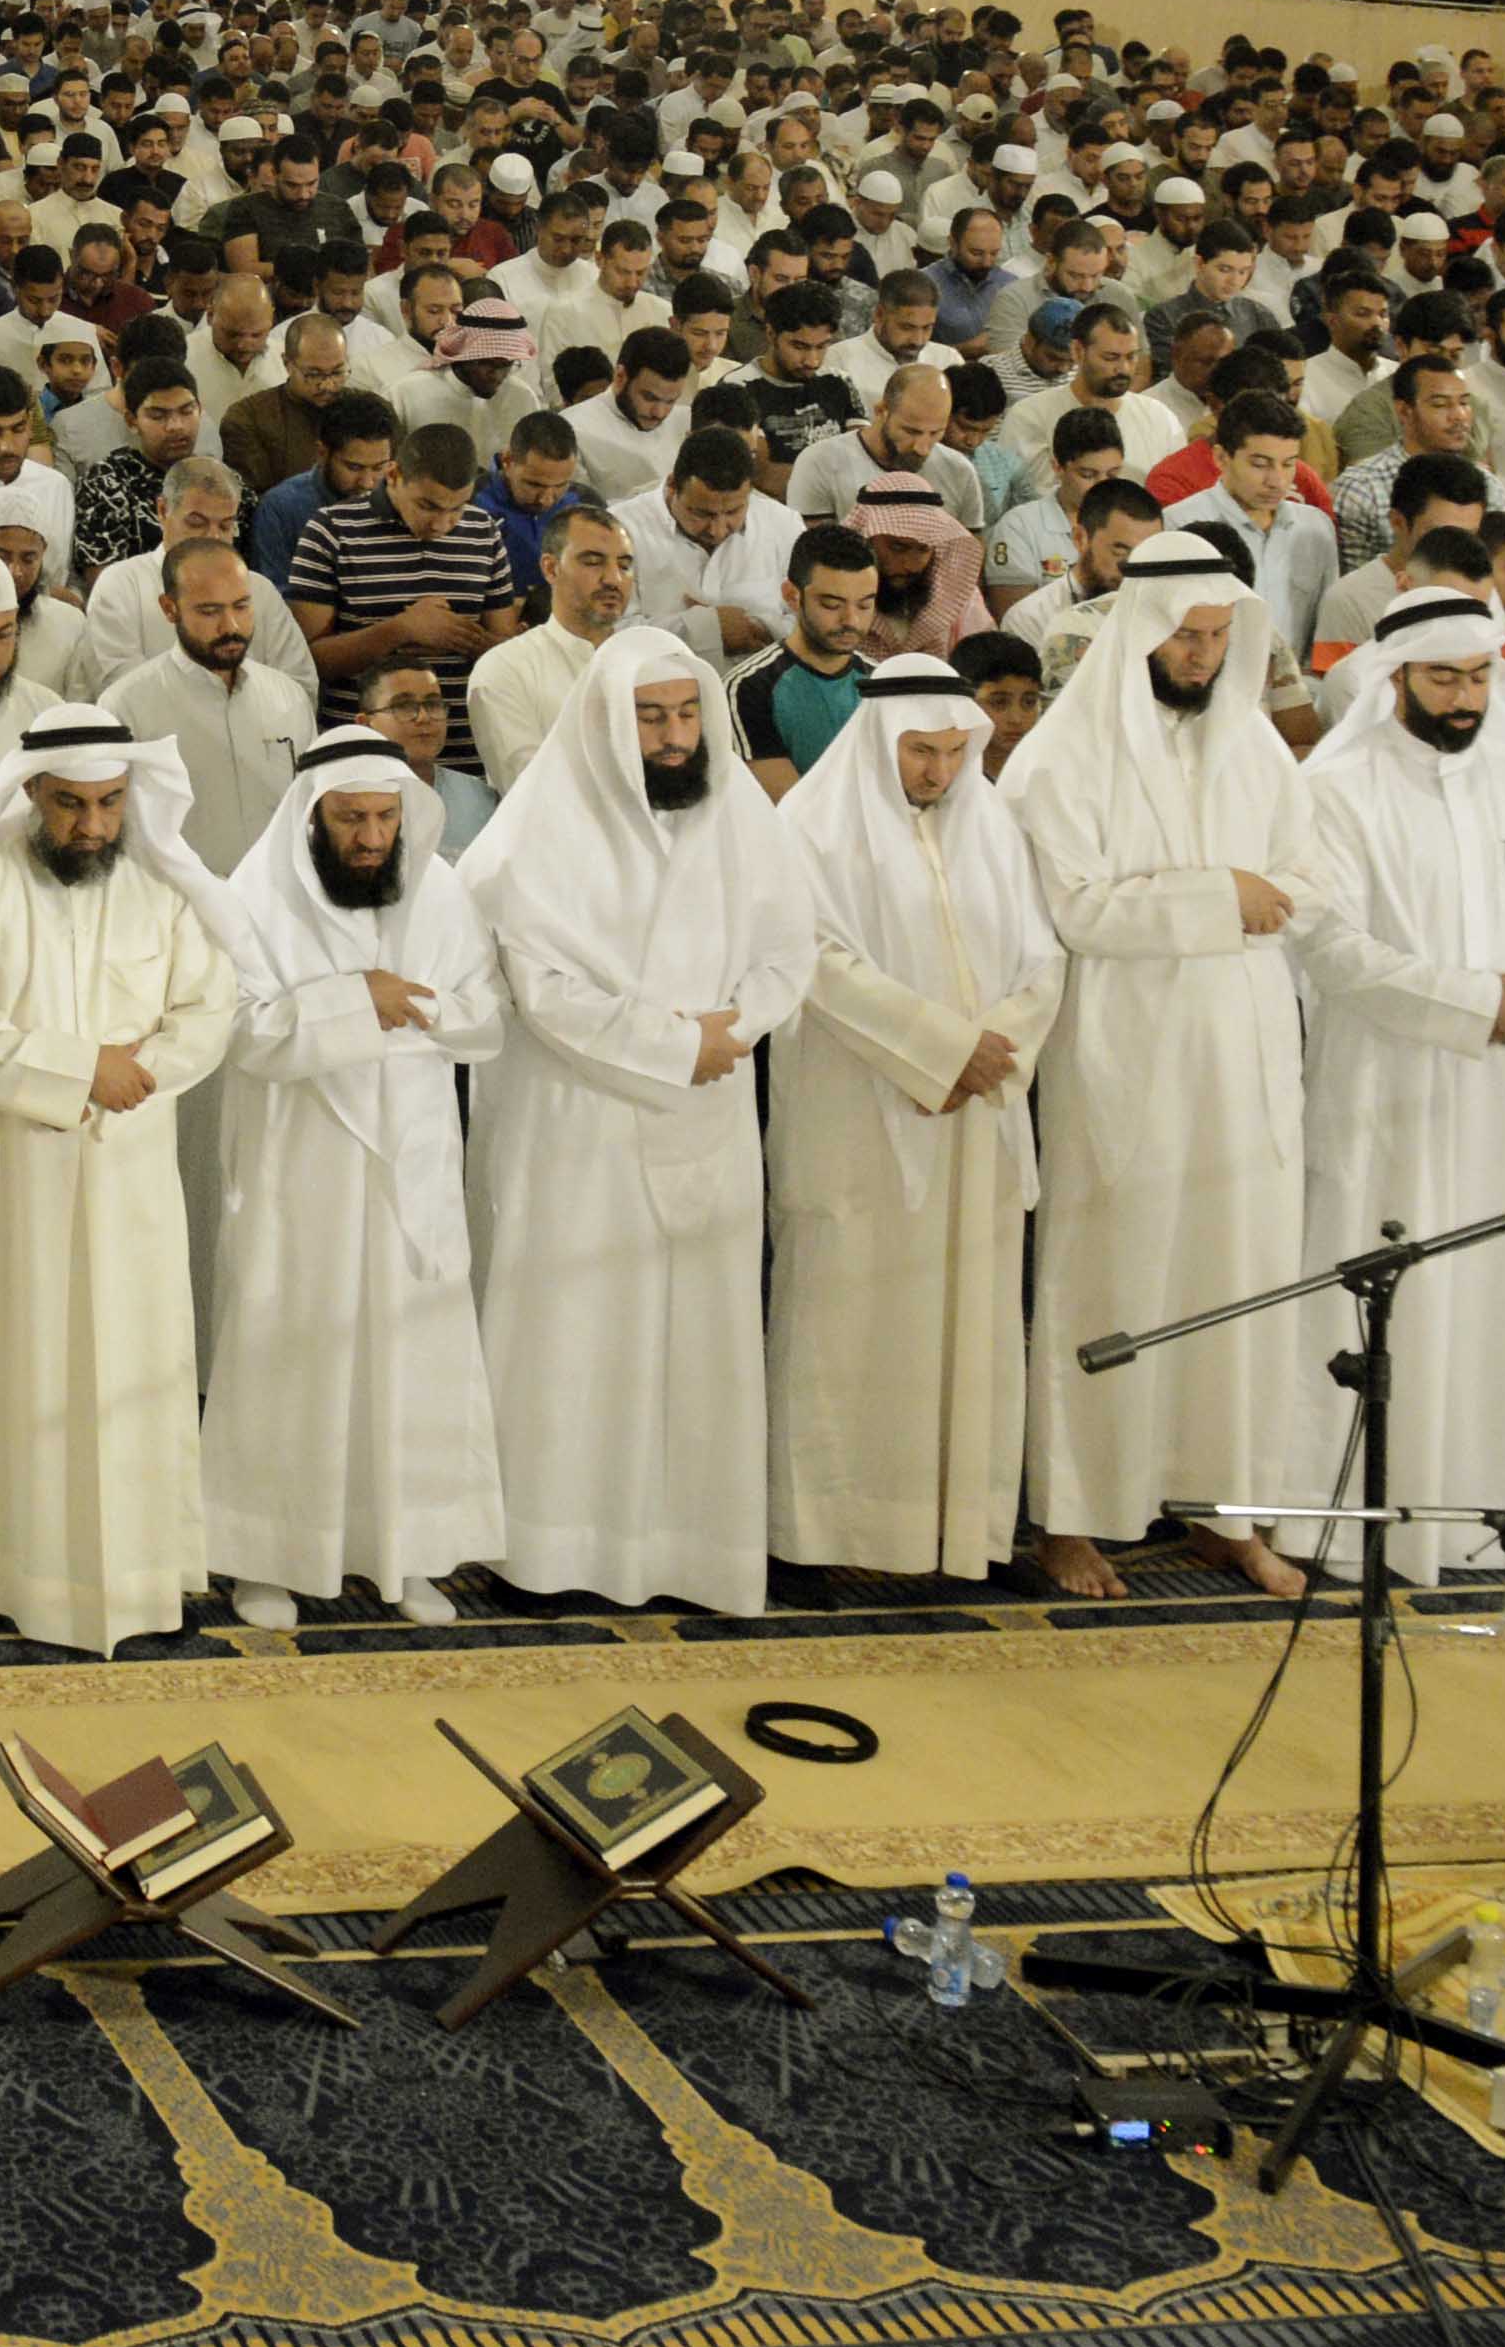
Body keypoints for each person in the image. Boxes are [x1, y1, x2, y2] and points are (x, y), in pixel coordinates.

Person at [451, 634, 818, 1617]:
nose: (669, 736)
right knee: (569, 1334)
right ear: (610, 720)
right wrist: (668, 1042)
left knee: (698, 1340)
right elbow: (539, 987)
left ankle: (693, 1552)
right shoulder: (541, 829)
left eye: (683, 714)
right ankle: (547, 1551)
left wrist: (728, 1031)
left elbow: (790, 948)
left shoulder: (739, 813)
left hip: (710, 1103)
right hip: (578, 1122)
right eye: (649, 717)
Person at [0, 715, 243, 1645]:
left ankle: (131, 1585)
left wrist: (141, 1073)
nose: (93, 826)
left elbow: (208, 1011)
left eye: (110, 804)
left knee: (124, 1373)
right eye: (72, 805)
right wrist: (80, 1068)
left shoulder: (158, 894)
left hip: (121, 1174)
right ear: (31, 793)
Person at [1276, 600, 1505, 1570]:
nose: (1464, 698)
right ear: (1396, 678)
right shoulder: (1335, 784)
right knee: (1392, 1278)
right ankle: (1359, 1513)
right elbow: (1328, 945)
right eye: (1442, 680)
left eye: (1476, 678)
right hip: (1389, 1080)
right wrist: (1471, 1002)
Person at [1018, 534, 1316, 1599]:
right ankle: (1075, 1516)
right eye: (1184, 637)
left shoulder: (1252, 747)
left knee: (1237, 1276)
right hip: (1123, 1053)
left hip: (1241, 1048)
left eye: (1216, 638)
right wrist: (1218, 896)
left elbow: (1306, 879)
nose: (1200, 656)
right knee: (1111, 1276)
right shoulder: (1065, 754)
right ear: (1140, 633)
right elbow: (1077, 908)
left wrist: (1244, 895)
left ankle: (1225, 1511)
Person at [203, 732, 505, 1625]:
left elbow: (483, 1018)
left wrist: (388, 1009)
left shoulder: (440, 891)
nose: (372, 838)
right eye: (352, 819)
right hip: (298, 1161)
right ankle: (268, 1556)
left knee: (413, 1353)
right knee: (290, 1344)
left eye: (385, 818)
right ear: (310, 820)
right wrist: (359, 1000)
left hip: (412, 1156)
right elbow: (245, 1031)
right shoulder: (253, 899)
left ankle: (406, 1552)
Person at [763, 679, 1056, 1590]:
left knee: (969, 1317)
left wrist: (994, 1051)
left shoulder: (993, 826)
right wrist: (939, 1050)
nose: (937, 772)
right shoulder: (813, 825)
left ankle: (957, 1531)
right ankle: (823, 1534)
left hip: (976, 1114)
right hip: (862, 1109)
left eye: (952, 753)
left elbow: (1045, 958)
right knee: (849, 1316)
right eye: (918, 752)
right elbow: (813, 961)